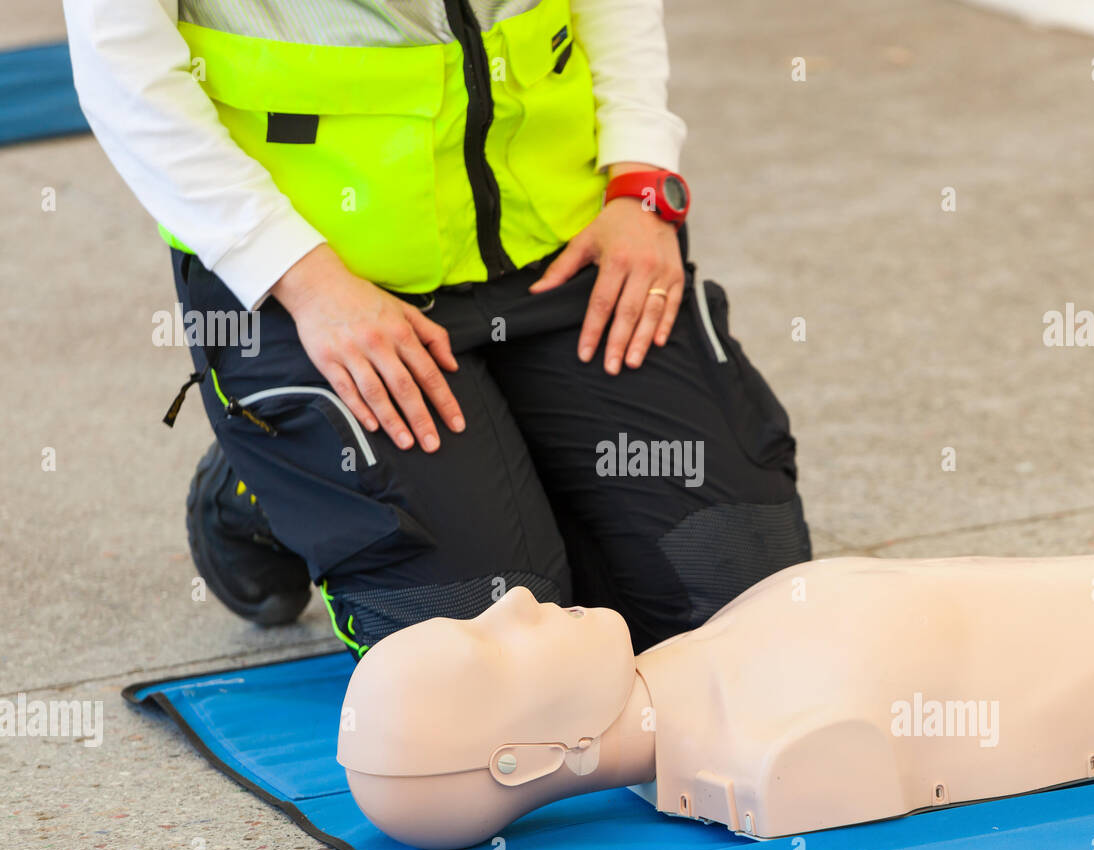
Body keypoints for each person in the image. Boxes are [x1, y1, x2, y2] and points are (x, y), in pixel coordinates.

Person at [65, 0, 813, 655]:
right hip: (328, 282)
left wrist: (642, 177)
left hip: (557, 241)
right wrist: (300, 274)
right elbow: (120, 61)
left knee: (740, 601)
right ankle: (256, 487)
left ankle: (505, 456)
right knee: (495, 653)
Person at [337, 555, 1094, 850]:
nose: (516, 604)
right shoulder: (785, 742)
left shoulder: (717, 660)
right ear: (524, 760)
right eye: (493, 649)